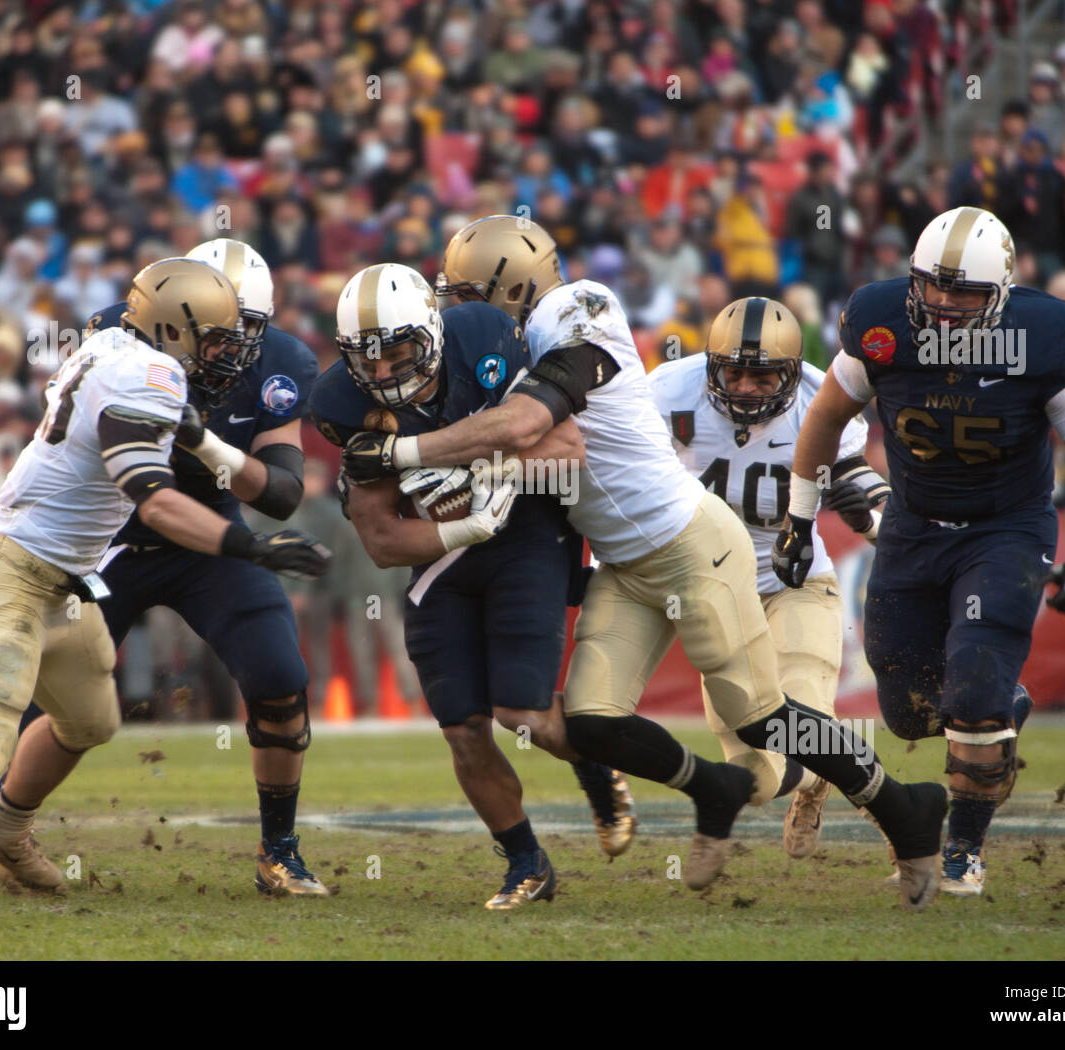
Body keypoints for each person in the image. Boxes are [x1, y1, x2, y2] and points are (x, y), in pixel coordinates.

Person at [342, 217, 950, 911]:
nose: (456, 311)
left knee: (762, 720)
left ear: (513, 284)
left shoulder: (579, 310)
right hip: (625, 563)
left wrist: (402, 456)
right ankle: (711, 790)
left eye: (468, 293)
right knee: (593, 719)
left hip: (689, 542)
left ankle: (906, 809)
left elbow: (520, 425)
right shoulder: (499, 346)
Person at [0, 259, 329, 881]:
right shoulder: (149, 373)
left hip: (72, 586)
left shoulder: (114, 343)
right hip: (10, 576)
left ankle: (6, 831)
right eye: (218, 339)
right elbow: (159, 502)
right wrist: (252, 548)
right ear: (174, 330)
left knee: (92, 720)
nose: (229, 355)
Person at [774, 206, 1065, 897]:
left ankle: (963, 848)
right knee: (907, 710)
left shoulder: (1042, 335)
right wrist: (797, 517)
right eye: (931, 286)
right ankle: (1003, 706)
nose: (940, 305)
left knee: (971, 691)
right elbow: (824, 418)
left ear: (998, 293)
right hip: (911, 527)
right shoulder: (883, 322)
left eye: (961, 293)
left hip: (1006, 529)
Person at [4, 239, 328, 897]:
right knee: (47, 701)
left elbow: (282, 492)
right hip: (111, 536)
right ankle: (9, 830)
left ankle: (279, 851)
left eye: (248, 331)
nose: (234, 347)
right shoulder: (118, 336)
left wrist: (203, 442)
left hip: (208, 537)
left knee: (278, 674)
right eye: (219, 331)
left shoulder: (283, 365)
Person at [312, 263, 633, 910]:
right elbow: (379, 539)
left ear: (429, 334)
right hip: (443, 555)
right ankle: (526, 863)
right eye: (364, 359)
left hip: (527, 536)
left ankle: (595, 768)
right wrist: (465, 530)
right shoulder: (342, 404)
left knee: (523, 712)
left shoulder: (482, 339)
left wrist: (481, 477)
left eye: (396, 352)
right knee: (462, 727)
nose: (380, 374)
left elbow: (566, 451)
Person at [648, 296, 886, 858]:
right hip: (716, 597)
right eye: (735, 371)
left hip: (795, 582)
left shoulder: (821, 397)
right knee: (755, 776)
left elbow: (872, 499)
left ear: (789, 373)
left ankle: (870, 794)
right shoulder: (668, 394)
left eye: (763, 375)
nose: (748, 387)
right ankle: (824, 777)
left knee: (802, 726)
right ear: (712, 367)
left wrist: (867, 514)